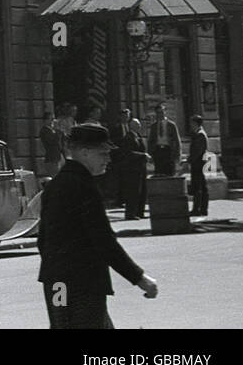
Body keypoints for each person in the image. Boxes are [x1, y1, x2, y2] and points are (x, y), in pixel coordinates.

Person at [37, 123, 159, 329]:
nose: (108, 160)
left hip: (56, 283)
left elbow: (43, 239)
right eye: (103, 154)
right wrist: (139, 278)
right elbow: (104, 241)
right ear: (84, 153)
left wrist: (58, 269)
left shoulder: (55, 184)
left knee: (62, 325)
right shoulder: (83, 187)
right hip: (81, 285)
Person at [121, 118, 149, 220]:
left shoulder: (138, 136)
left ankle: (140, 212)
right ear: (132, 126)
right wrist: (143, 155)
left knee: (142, 190)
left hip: (141, 167)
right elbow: (128, 153)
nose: (139, 126)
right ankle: (131, 213)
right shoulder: (128, 137)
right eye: (137, 125)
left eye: (139, 124)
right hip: (132, 168)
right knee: (133, 191)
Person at [147, 103, 181, 176]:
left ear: (165, 112)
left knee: (170, 172)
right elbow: (150, 141)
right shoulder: (154, 126)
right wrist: (150, 154)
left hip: (168, 150)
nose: (160, 114)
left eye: (162, 112)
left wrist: (178, 154)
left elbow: (177, 140)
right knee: (159, 173)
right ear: (156, 113)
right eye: (158, 112)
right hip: (158, 151)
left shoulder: (171, 125)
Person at [188, 115, 209, 217]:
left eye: (192, 123)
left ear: (196, 123)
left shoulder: (200, 135)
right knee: (201, 186)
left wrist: (189, 160)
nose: (190, 125)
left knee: (198, 186)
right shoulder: (198, 133)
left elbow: (198, 151)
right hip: (199, 162)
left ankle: (197, 209)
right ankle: (202, 209)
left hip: (198, 163)